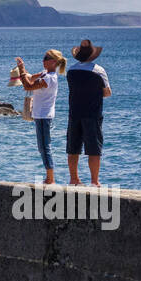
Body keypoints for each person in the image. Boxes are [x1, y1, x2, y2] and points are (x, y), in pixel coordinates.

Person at [16, 50, 67, 185]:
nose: (43, 60)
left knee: (45, 147)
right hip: (39, 115)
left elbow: (28, 85)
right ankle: (49, 177)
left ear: (53, 62)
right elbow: (30, 78)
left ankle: (50, 179)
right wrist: (23, 69)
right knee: (42, 146)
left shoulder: (49, 78)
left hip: (44, 116)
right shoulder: (45, 74)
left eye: (46, 58)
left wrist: (21, 69)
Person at [65, 39, 111, 186]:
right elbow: (107, 92)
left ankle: (74, 179)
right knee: (94, 149)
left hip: (74, 112)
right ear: (93, 55)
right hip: (92, 113)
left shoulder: (71, 71)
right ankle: (94, 181)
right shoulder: (99, 70)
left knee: (73, 148)